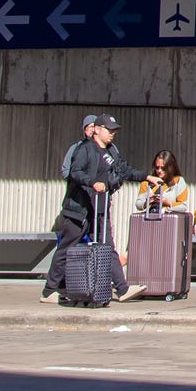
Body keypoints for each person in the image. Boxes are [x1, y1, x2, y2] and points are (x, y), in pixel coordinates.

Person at [40, 113, 147, 304]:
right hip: (79, 209)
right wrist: (93, 183)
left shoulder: (111, 152)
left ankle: (122, 289)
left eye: (114, 131)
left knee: (107, 246)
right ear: (96, 130)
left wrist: (146, 177)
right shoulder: (84, 149)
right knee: (66, 248)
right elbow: (75, 172)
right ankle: (49, 290)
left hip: (99, 208)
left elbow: (124, 170)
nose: (112, 134)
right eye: (109, 130)